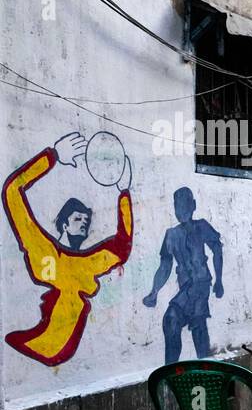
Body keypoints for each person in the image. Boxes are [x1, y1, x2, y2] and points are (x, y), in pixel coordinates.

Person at [3, 131, 133, 366]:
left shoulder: (89, 262)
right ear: (63, 223)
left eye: (86, 220)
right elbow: (13, 191)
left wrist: (124, 193)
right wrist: (52, 156)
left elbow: (122, 247)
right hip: (37, 345)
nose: (84, 223)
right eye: (77, 219)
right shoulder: (43, 250)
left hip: (59, 351)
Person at [143, 187, 224, 363]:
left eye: (185, 205)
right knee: (182, 323)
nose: (181, 210)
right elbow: (165, 265)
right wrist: (154, 291)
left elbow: (217, 249)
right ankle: (175, 369)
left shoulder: (201, 226)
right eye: (177, 206)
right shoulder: (171, 235)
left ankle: (200, 366)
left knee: (180, 320)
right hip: (186, 287)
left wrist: (219, 280)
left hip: (201, 284)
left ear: (193, 205)